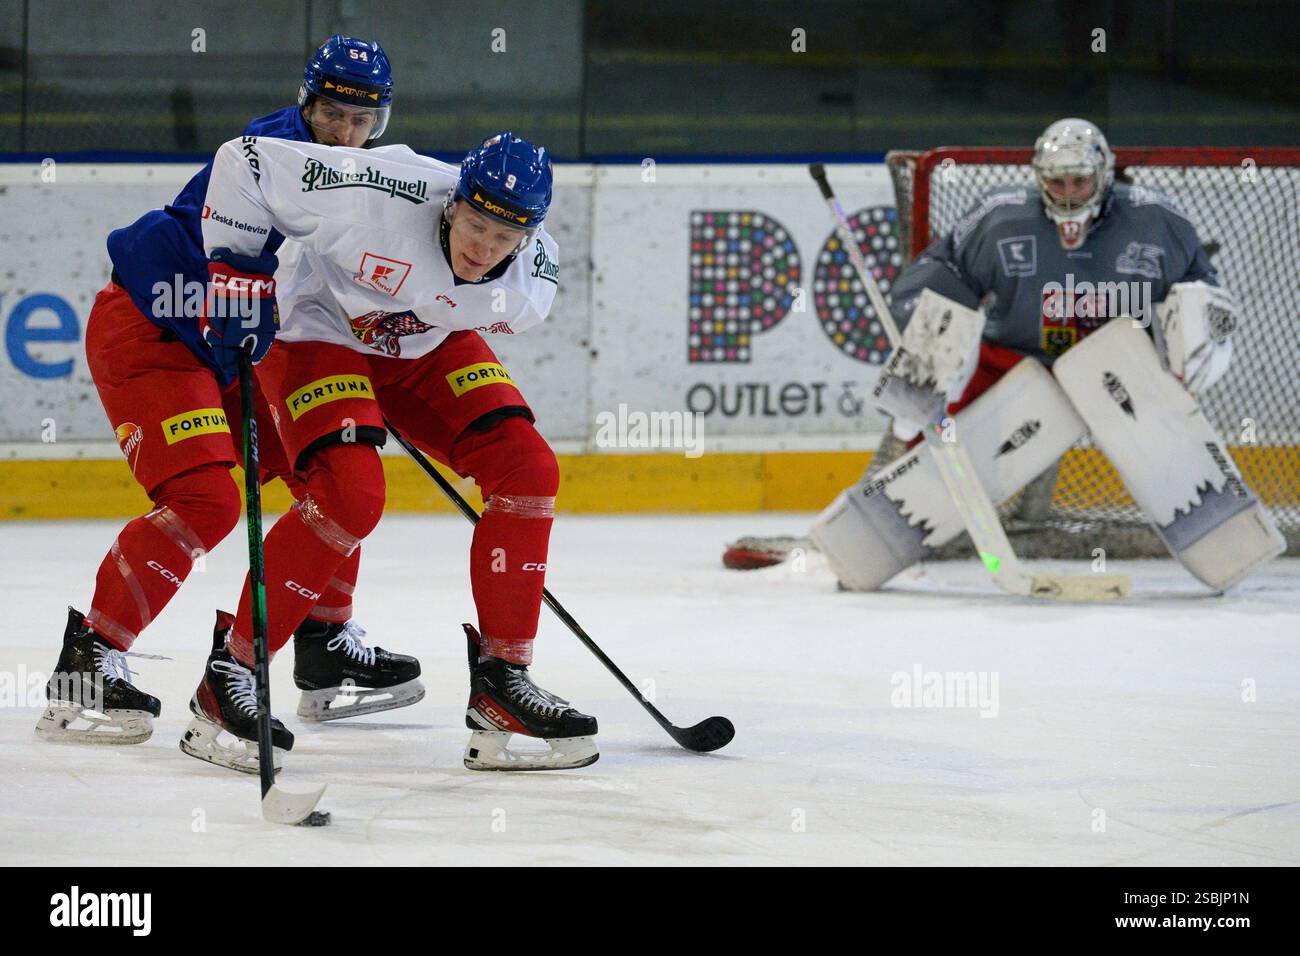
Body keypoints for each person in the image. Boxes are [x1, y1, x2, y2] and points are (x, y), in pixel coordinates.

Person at [37, 35, 423, 751]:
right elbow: (196, 264)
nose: (345, 132)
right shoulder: (267, 157)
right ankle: (88, 662)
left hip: (229, 348)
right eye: (333, 114)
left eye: (361, 121)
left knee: (331, 465)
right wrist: (230, 316)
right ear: (307, 105)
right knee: (206, 501)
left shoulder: (360, 178)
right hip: (154, 331)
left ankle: (323, 638)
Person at [180, 129, 598, 773]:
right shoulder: (376, 193)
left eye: (505, 238)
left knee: (528, 467)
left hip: (421, 345)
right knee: (351, 495)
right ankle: (230, 673)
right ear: (453, 202)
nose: (484, 249)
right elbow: (246, 160)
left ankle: (502, 683)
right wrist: (236, 269)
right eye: (477, 224)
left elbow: (443, 307)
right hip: (315, 328)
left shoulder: (529, 287)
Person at [725, 117, 1235, 574]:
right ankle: (863, 522)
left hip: (1115, 366)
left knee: (1163, 441)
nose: (1068, 193)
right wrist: (929, 329)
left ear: (1104, 175)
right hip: (1013, 358)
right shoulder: (1001, 217)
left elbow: (1203, 288)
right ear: (1038, 177)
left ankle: (1215, 518)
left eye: (1079, 180)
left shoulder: (1156, 221)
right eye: (1056, 181)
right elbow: (939, 270)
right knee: (924, 406)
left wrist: (1197, 337)